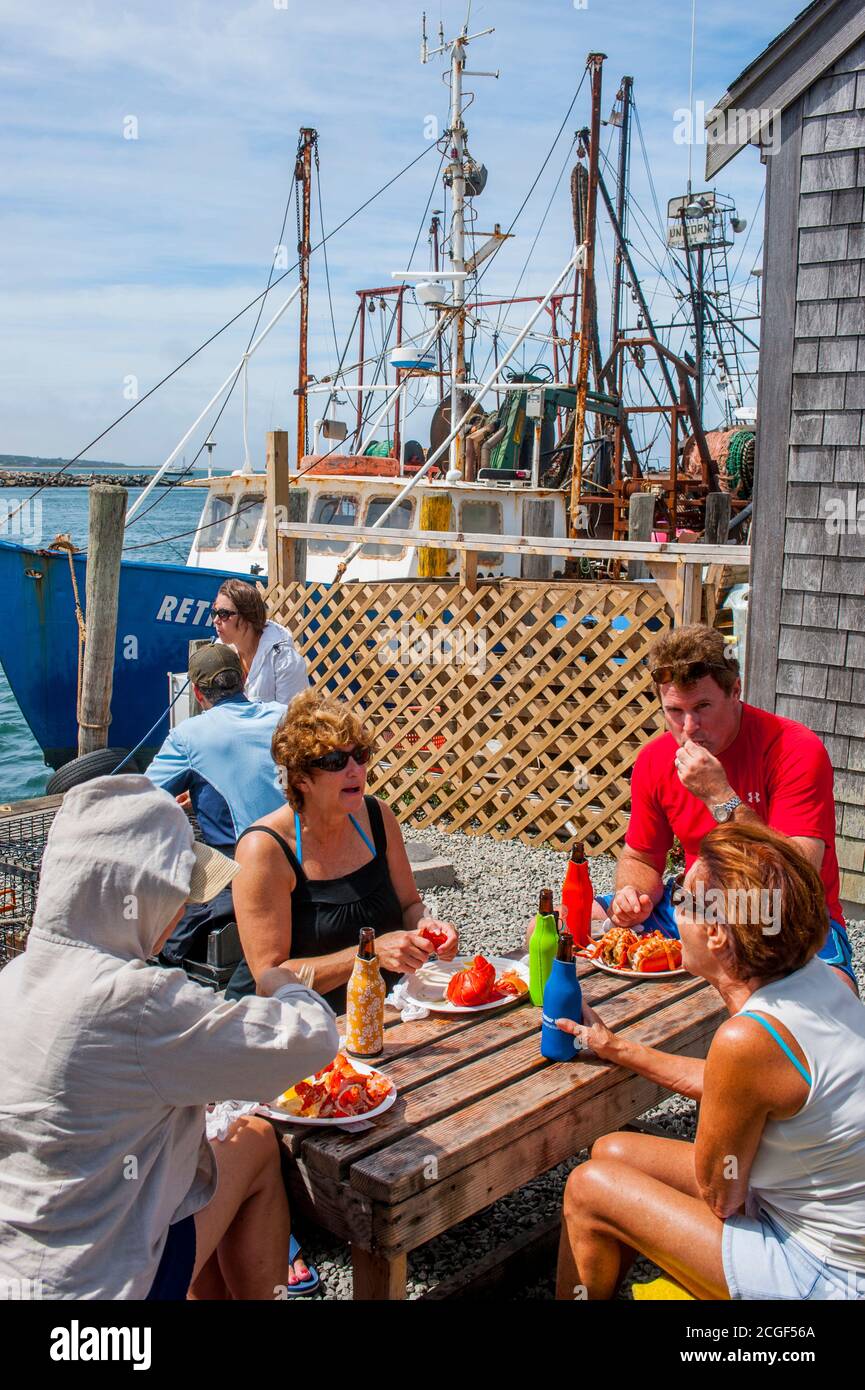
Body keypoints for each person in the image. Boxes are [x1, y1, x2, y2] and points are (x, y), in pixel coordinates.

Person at [0, 776, 339, 1300]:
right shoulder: (136, 1002)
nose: (184, 910)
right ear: (137, 893)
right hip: (110, 1284)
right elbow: (311, 1041)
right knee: (254, 1142)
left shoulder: (14, 979)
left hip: (22, 1266)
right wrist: (279, 981)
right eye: (178, 892)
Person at [556, 821, 865, 1301]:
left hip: (826, 1272)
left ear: (718, 934)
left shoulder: (747, 1038)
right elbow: (752, 1088)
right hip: (826, 1224)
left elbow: (722, 1195)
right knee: (612, 1151)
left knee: (589, 1186)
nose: (671, 914)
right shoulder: (824, 980)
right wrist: (615, 1046)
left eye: (681, 901)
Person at [594, 623, 855, 991]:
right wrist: (632, 895)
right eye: (674, 710)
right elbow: (640, 858)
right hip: (697, 907)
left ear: (736, 691)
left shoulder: (794, 749)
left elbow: (796, 875)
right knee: (561, 924)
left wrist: (720, 797)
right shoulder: (655, 760)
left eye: (702, 707)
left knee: (834, 996)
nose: (689, 728)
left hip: (782, 917)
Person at [230, 689, 458, 1010]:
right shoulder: (264, 849)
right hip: (303, 1026)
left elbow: (409, 904)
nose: (355, 770)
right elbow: (269, 978)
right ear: (300, 779)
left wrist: (427, 925)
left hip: (384, 1009)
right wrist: (370, 953)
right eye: (336, 761)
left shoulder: (378, 816)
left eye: (360, 755)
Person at [145, 643, 286, 971]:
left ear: (197, 693)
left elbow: (144, 799)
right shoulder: (283, 716)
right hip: (303, 856)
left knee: (163, 938)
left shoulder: (188, 736)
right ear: (244, 677)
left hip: (238, 872)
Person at [212, 577, 308, 705]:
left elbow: (292, 718)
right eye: (214, 613)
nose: (216, 620)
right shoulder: (219, 652)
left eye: (223, 614)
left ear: (247, 616)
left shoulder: (285, 661)